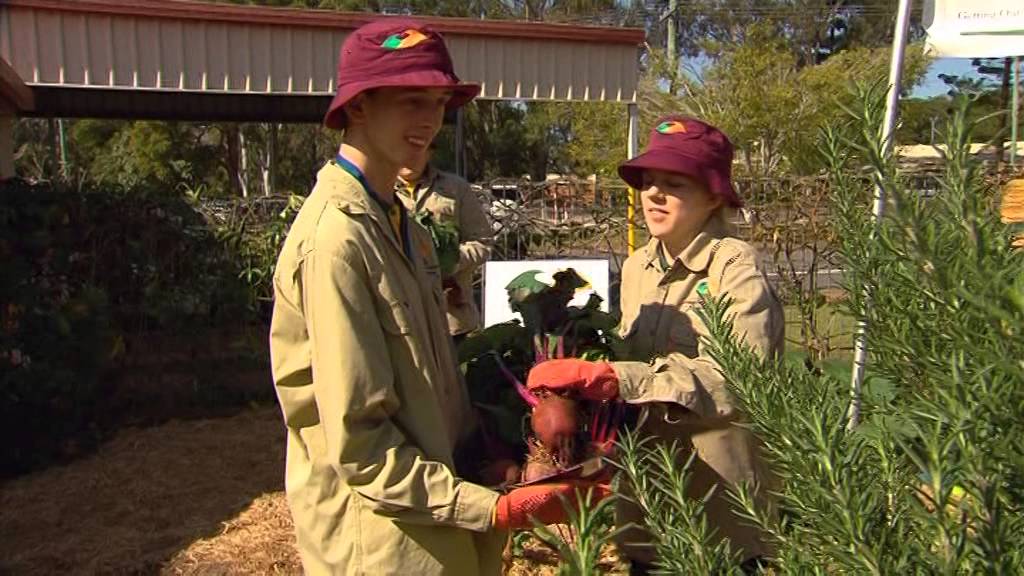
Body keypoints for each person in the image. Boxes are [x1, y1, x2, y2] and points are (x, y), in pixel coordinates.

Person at [269, 19, 603, 576]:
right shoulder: (336, 243)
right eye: (409, 100)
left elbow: (431, 388)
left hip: (440, 527)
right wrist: (490, 508)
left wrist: (490, 461)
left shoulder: (403, 226)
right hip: (385, 545)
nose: (430, 120)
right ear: (356, 107)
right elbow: (361, 449)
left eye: (439, 101)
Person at [525, 116, 783, 573]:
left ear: (713, 195)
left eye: (674, 183)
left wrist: (611, 377)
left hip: (720, 508)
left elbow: (739, 378)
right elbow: (635, 368)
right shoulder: (639, 265)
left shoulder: (735, 267)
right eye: (648, 182)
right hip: (646, 504)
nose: (654, 195)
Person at [396, 147, 493, 341]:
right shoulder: (376, 190)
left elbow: (482, 242)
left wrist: (449, 261)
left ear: (430, 151)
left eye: (417, 149)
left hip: (450, 317)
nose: (409, 155)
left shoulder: (456, 187)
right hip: (400, 320)